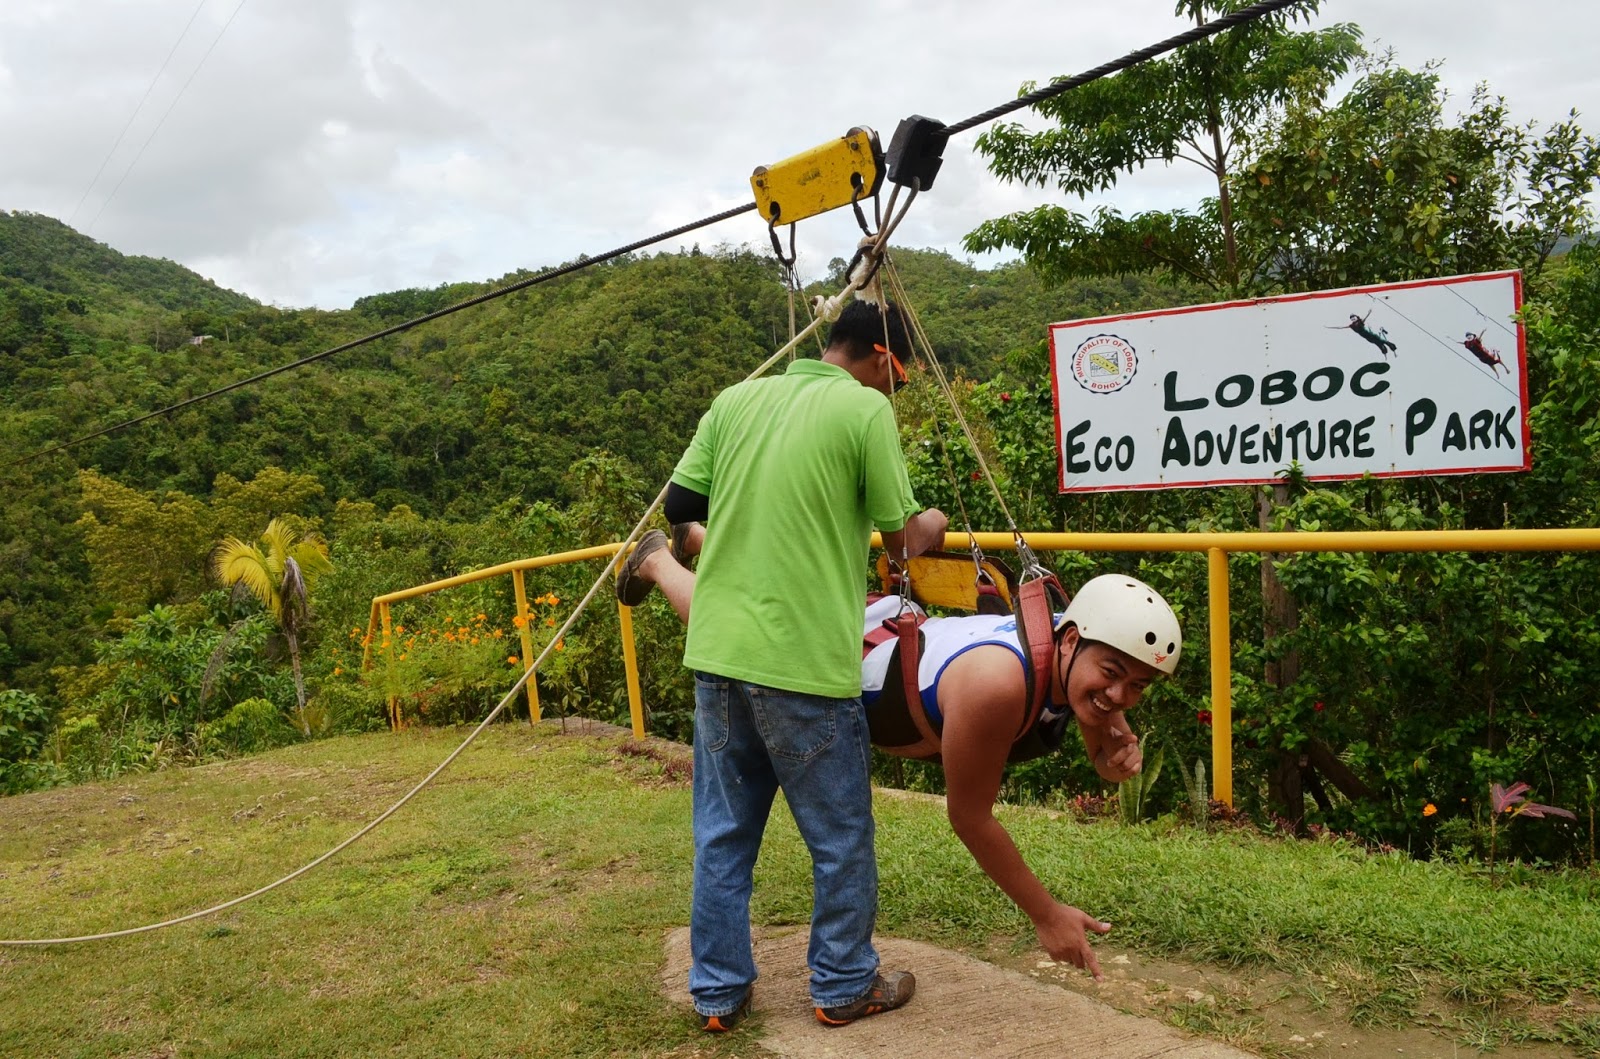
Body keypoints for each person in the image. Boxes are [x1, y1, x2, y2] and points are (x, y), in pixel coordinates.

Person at [620, 534, 1180, 984]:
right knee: (735, 627)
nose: (1119, 695)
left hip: (883, 630)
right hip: (843, 653)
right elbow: (970, 817)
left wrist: (1111, 746)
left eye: (1138, 686)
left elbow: (1098, 718)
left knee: (779, 587)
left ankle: (702, 536)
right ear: (1071, 640)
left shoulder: (1072, 657)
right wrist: (1047, 915)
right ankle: (659, 561)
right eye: (1112, 674)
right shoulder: (997, 686)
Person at [620, 299, 948, 1033]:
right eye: (899, 378)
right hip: (803, 664)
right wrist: (933, 522)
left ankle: (718, 995)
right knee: (840, 840)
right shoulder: (865, 411)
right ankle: (843, 983)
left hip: (719, 659)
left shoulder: (736, 399)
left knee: (723, 837)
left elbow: (681, 504)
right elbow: (901, 541)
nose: (895, 391)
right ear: (879, 358)